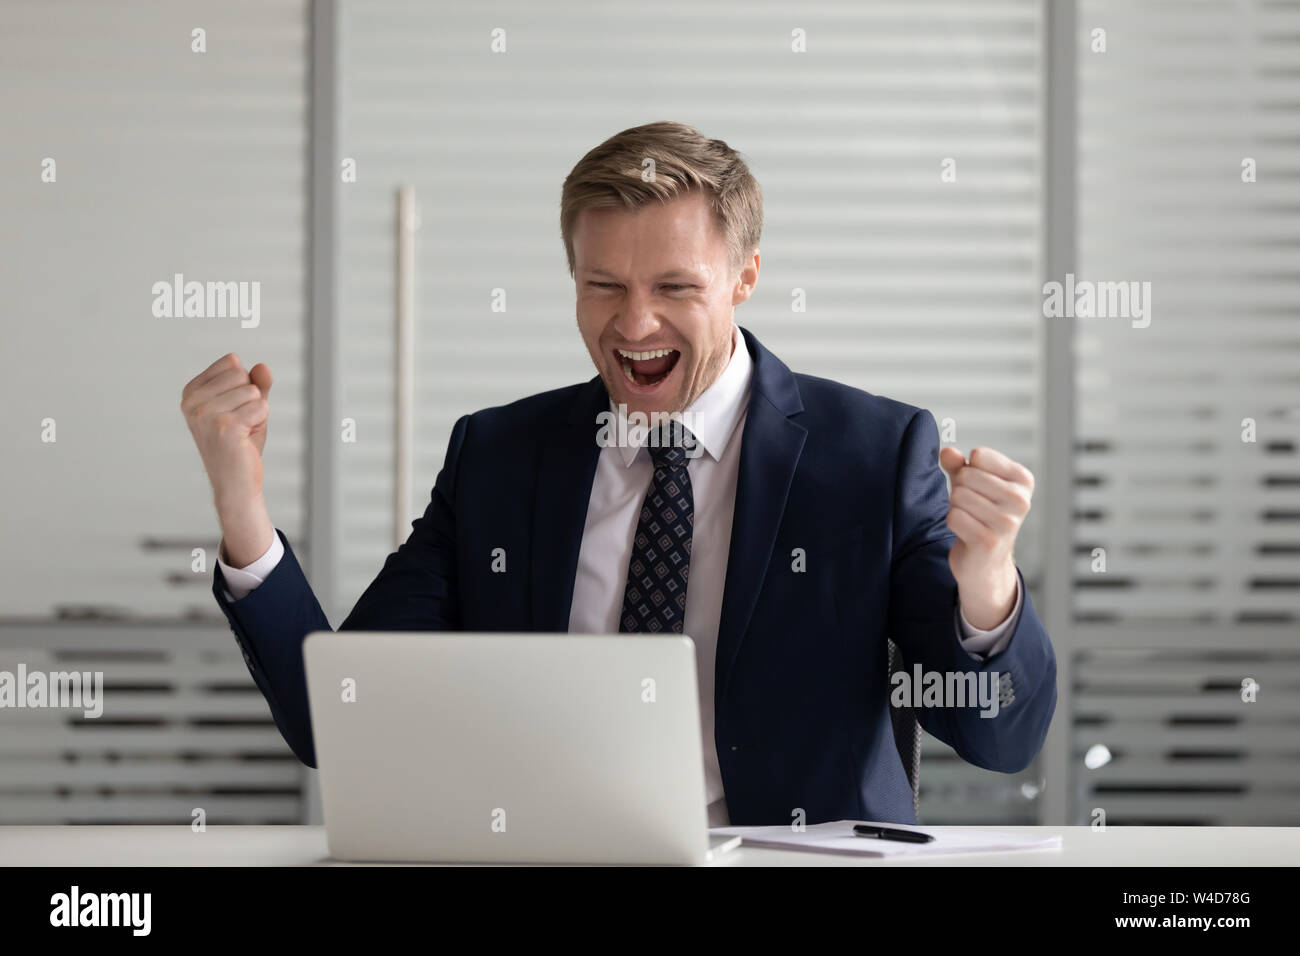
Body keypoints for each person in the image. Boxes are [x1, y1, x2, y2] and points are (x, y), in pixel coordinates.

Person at [180, 121, 1056, 826]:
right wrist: (243, 508)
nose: (635, 324)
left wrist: (984, 589)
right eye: (604, 285)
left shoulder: (871, 453)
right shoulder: (498, 457)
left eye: (675, 287)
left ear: (745, 277)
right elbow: (337, 714)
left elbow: (999, 736)